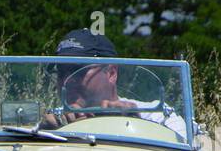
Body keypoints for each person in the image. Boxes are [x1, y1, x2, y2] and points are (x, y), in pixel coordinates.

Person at [40, 29, 188, 138]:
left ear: (111, 73)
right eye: (61, 71)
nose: (67, 80)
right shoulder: (55, 120)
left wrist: (136, 125)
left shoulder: (156, 115)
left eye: (77, 70)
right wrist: (42, 133)